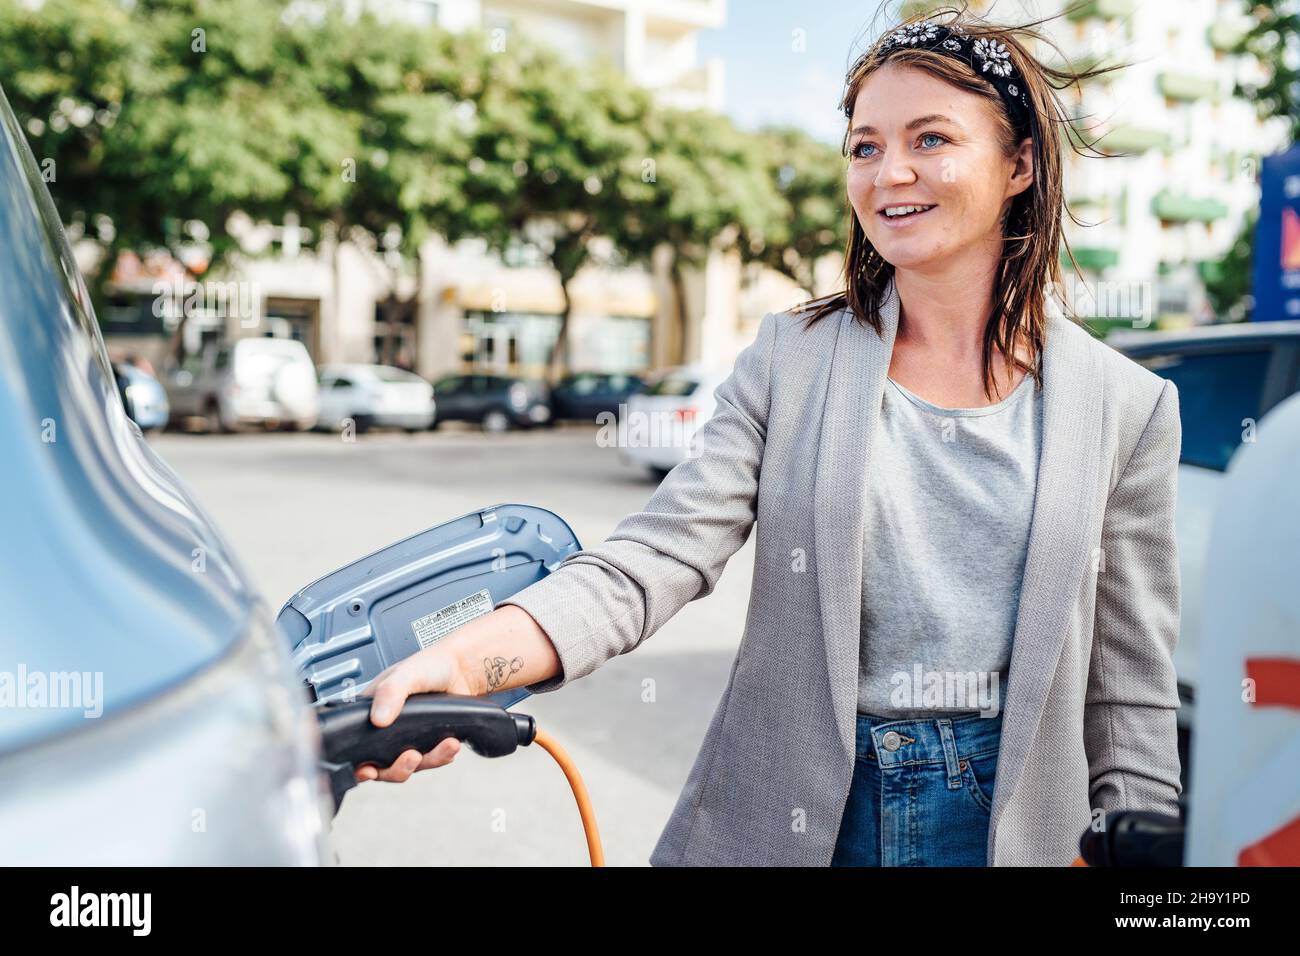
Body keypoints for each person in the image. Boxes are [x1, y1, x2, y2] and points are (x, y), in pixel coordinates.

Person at [355, 4, 1184, 866]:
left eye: (930, 139)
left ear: (1018, 165)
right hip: (796, 826)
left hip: (1016, 835)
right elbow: (652, 560)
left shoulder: (1128, 407)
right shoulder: (793, 357)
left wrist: (1148, 864)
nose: (888, 172)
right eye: (864, 146)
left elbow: (1131, 695)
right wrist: (468, 663)